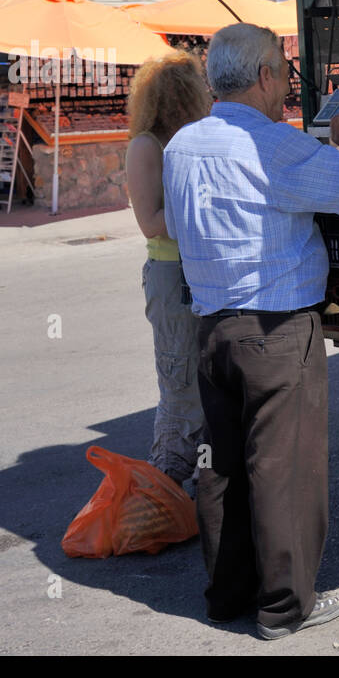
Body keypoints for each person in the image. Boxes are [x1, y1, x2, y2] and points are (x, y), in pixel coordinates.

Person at [163, 23, 339, 638]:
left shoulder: (181, 145)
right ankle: (285, 608)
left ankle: (227, 595)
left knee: (222, 466)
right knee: (282, 470)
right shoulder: (273, 146)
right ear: (266, 77)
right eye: (284, 78)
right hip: (275, 329)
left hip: (210, 328)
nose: (286, 90)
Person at [124, 50, 212, 486]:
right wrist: (207, 210)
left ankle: (198, 482)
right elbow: (150, 223)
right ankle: (165, 486)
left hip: (204, 274)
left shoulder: (193, 140)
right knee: (180, 385)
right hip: (172, 276)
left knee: (207, 380)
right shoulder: (147, 146)